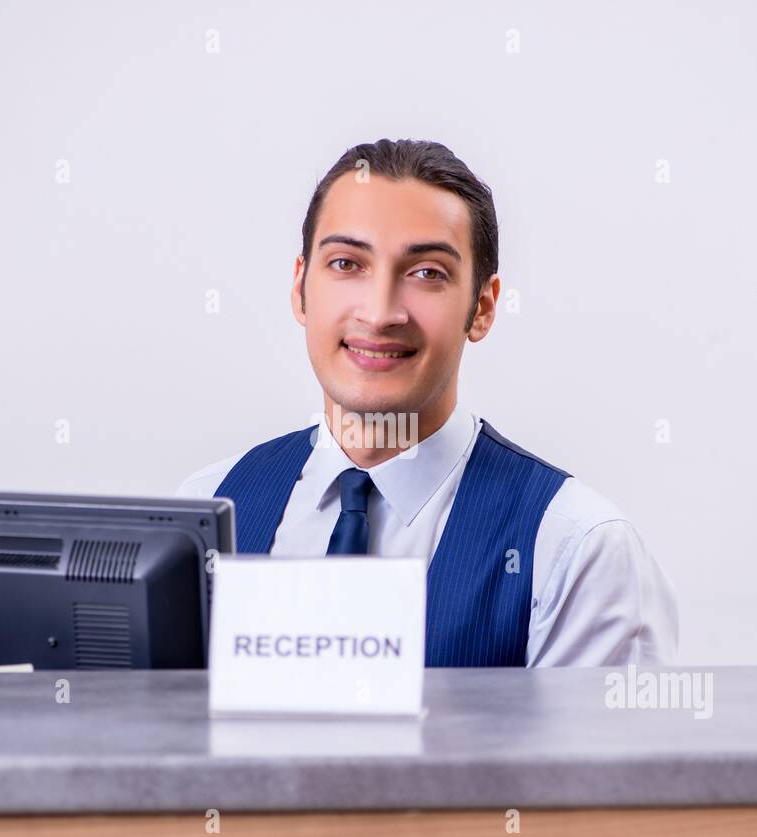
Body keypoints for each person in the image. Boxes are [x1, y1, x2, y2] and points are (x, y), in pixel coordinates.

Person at [178, 138, 677, 667]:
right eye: (347, 263)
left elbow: (592, 751)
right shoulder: (206, 509)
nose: (380, 312)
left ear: (481, 307)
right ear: (301, 287)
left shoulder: (577, 549)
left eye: (426, 274)